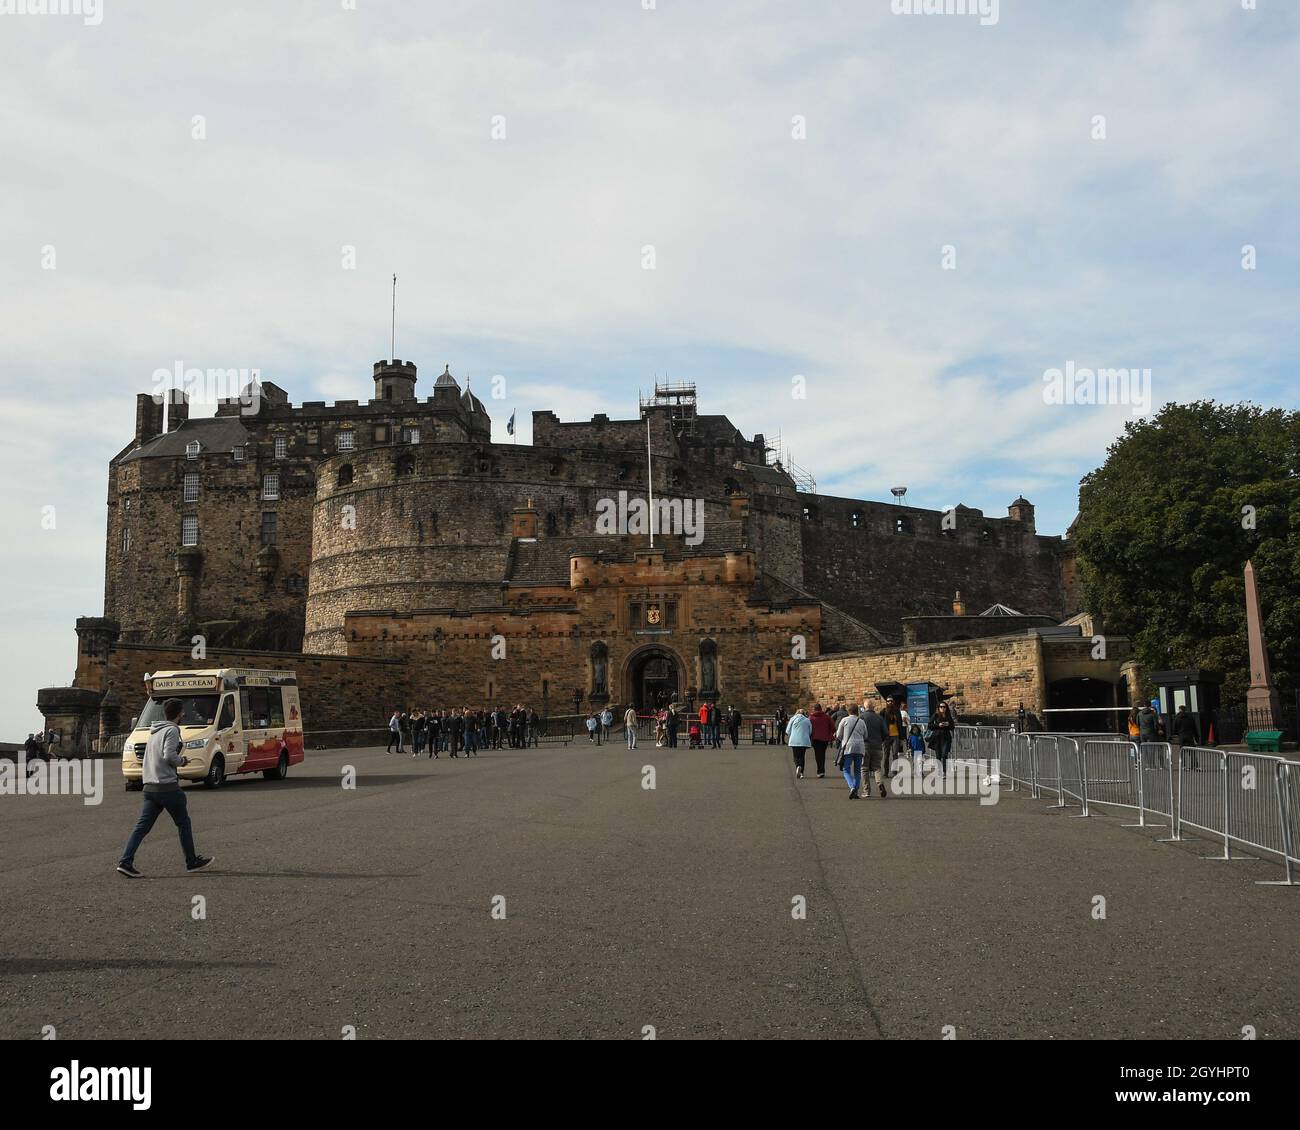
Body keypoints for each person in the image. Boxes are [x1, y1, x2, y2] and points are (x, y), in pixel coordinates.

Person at [116, 698, 213, 877]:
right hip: (167, 786)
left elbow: (151, 757)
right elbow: (169, 755)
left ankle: (125, 861)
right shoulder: (172, 731)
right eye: (182, 712)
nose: (183, 715)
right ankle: (191, 861)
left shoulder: (154, 732)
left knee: (141, 827)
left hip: (150, 786)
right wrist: (182, 760)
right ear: (179, 713)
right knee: (183, 823)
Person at [835, 704, 869, 799]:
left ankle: (852, 787)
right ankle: (856, 791)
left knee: (846, 769)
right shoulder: (861, 721)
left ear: (848, 711)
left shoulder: (844, 720)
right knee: (857, 771)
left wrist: (843, 739)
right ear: (857, 711)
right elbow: (866, 735)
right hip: (860, 747)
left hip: (848, 747)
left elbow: (838, 735)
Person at [859, 699, 890, 797]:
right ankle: (880, 784)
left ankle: (866, 791)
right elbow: (885, 733)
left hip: (865, 746)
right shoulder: (879, 718)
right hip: (877, 746)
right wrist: (880, 740)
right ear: (873, 707)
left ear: (865, 707)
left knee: (864, 768)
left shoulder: (861, 717)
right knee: (877, 768)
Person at [808, 703, 834, 778]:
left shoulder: (811, 718)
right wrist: (830, 735)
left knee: (817, 755)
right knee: (822, 754)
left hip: (815, 738)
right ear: (821, 709)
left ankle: (820, 771)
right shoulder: (827, 717)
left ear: (814, 709)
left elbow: (808, 728)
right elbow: (833, 727)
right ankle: (821, 770)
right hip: (824, 738)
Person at [785, 707, 813, 779]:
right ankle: (801, 773)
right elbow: (810, 731)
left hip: (794, 740)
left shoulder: (793, 719)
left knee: (795, 756)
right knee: (802, 756)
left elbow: (787, 731)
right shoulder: (807, 720)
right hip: (804, 740)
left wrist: (792, 734)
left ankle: (798, 766)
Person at [928, 700, 954, 774]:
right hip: (937, 737)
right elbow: (929, 725)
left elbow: (952, 727)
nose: (943, 708)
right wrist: (938, 725)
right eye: (941, 707)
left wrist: (948, 724)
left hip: (946, 738)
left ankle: (944, 772)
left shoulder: (948, 716)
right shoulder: (935, 715)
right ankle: (940, 770)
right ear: (938, 708)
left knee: (944, 755)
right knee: (938, 756)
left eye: (944, 707)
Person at [1174, 705, 1200, 770]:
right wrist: (1197, 738)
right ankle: (1195, 766)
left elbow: (1174, 728)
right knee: (1192, 751)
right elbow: (1194, 728)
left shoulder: (1177, 717)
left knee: (1182, 751)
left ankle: (1184, 766)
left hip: (1181, 736)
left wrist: (1177, 734)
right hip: (1189, 735)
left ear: (1179, 709)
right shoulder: (1190, 717)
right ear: (1185, 710)